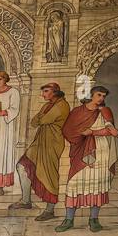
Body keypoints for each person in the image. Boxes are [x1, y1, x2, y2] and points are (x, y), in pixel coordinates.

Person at [57, 85, 118, 232]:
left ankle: (94, 220)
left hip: (100, 151)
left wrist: (93, 131)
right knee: (74, 184)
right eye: (99, 95)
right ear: (91, 95)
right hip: (80, 151)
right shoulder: (78, 111)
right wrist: (81, 134)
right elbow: (67, 130)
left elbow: (112, 131)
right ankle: (69, 219)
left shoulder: (105, 111)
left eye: (104, 96)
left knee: (97, 186)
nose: (102, 98)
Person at [11, 82, 70, 220]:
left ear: (55, 92)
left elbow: (43, 120)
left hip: (52, 143)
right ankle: (26, 201)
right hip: (39, 141)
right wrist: (40, 118)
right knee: (22, 166)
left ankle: (50, 210)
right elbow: (33, 122)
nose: (43, 94)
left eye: (46, 91)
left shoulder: (62, 105)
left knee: (48, 174)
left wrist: (40, 118)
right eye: (43, 91)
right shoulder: (46, 105)